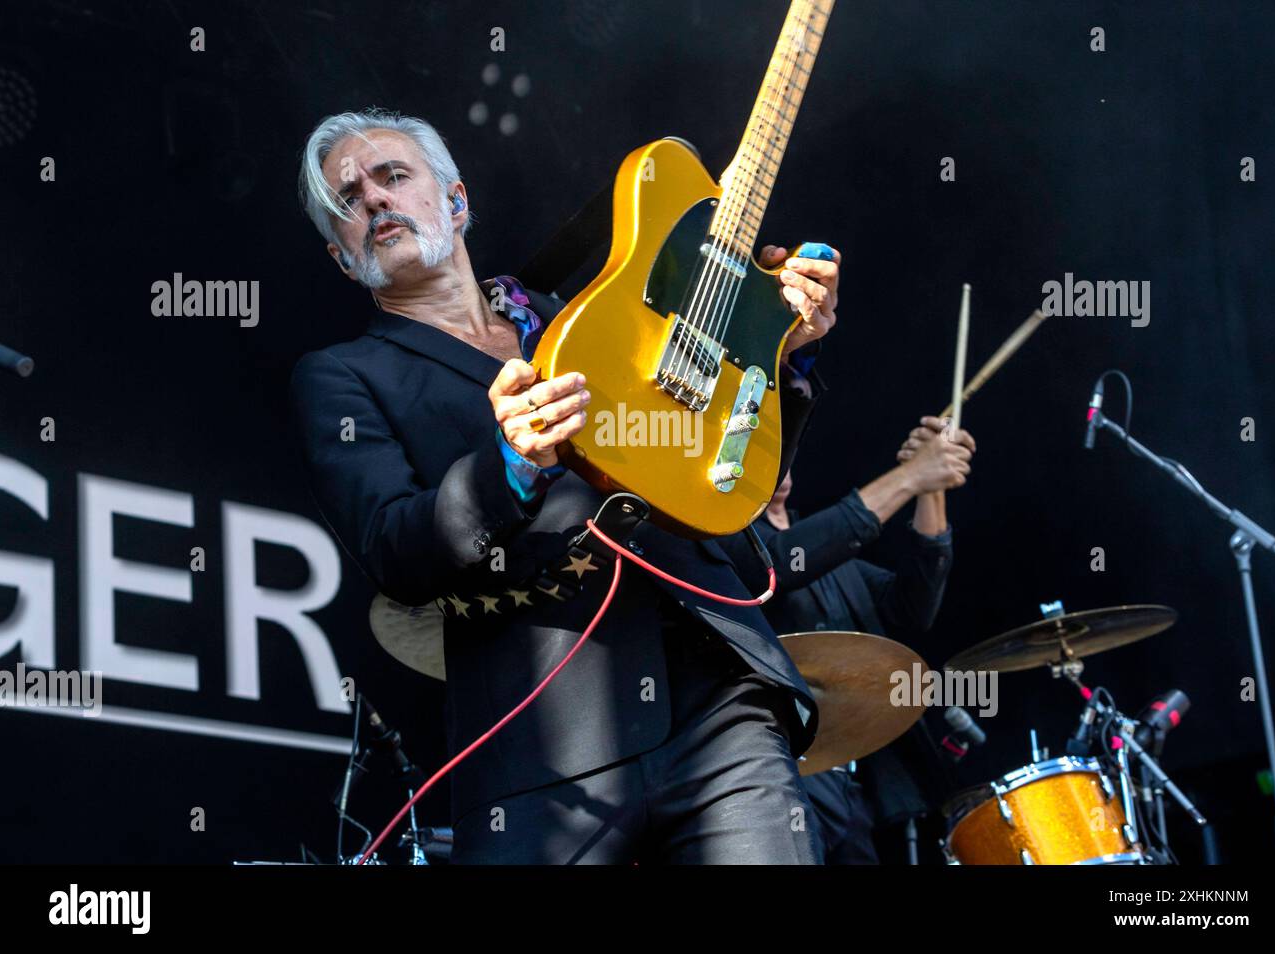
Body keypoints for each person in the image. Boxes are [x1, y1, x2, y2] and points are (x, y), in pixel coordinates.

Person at [289, 108, 846, 863]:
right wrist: (509, 463)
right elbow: (394, 549)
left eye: (392, 176)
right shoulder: (343, 376)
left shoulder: (584, 313)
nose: (374, 201)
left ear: (455, 200)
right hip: (544, 745)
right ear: (341, 256)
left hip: (718, 693)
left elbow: (720, 467)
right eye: (348, 201)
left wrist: (779, 352)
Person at [724, 415, 976, 863]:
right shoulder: (726, 540)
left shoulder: (831, 553)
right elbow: (780, 565)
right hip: (771, 773)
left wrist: (929, 487)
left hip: (848, 776)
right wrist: (911, 473)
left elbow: (913, 608)